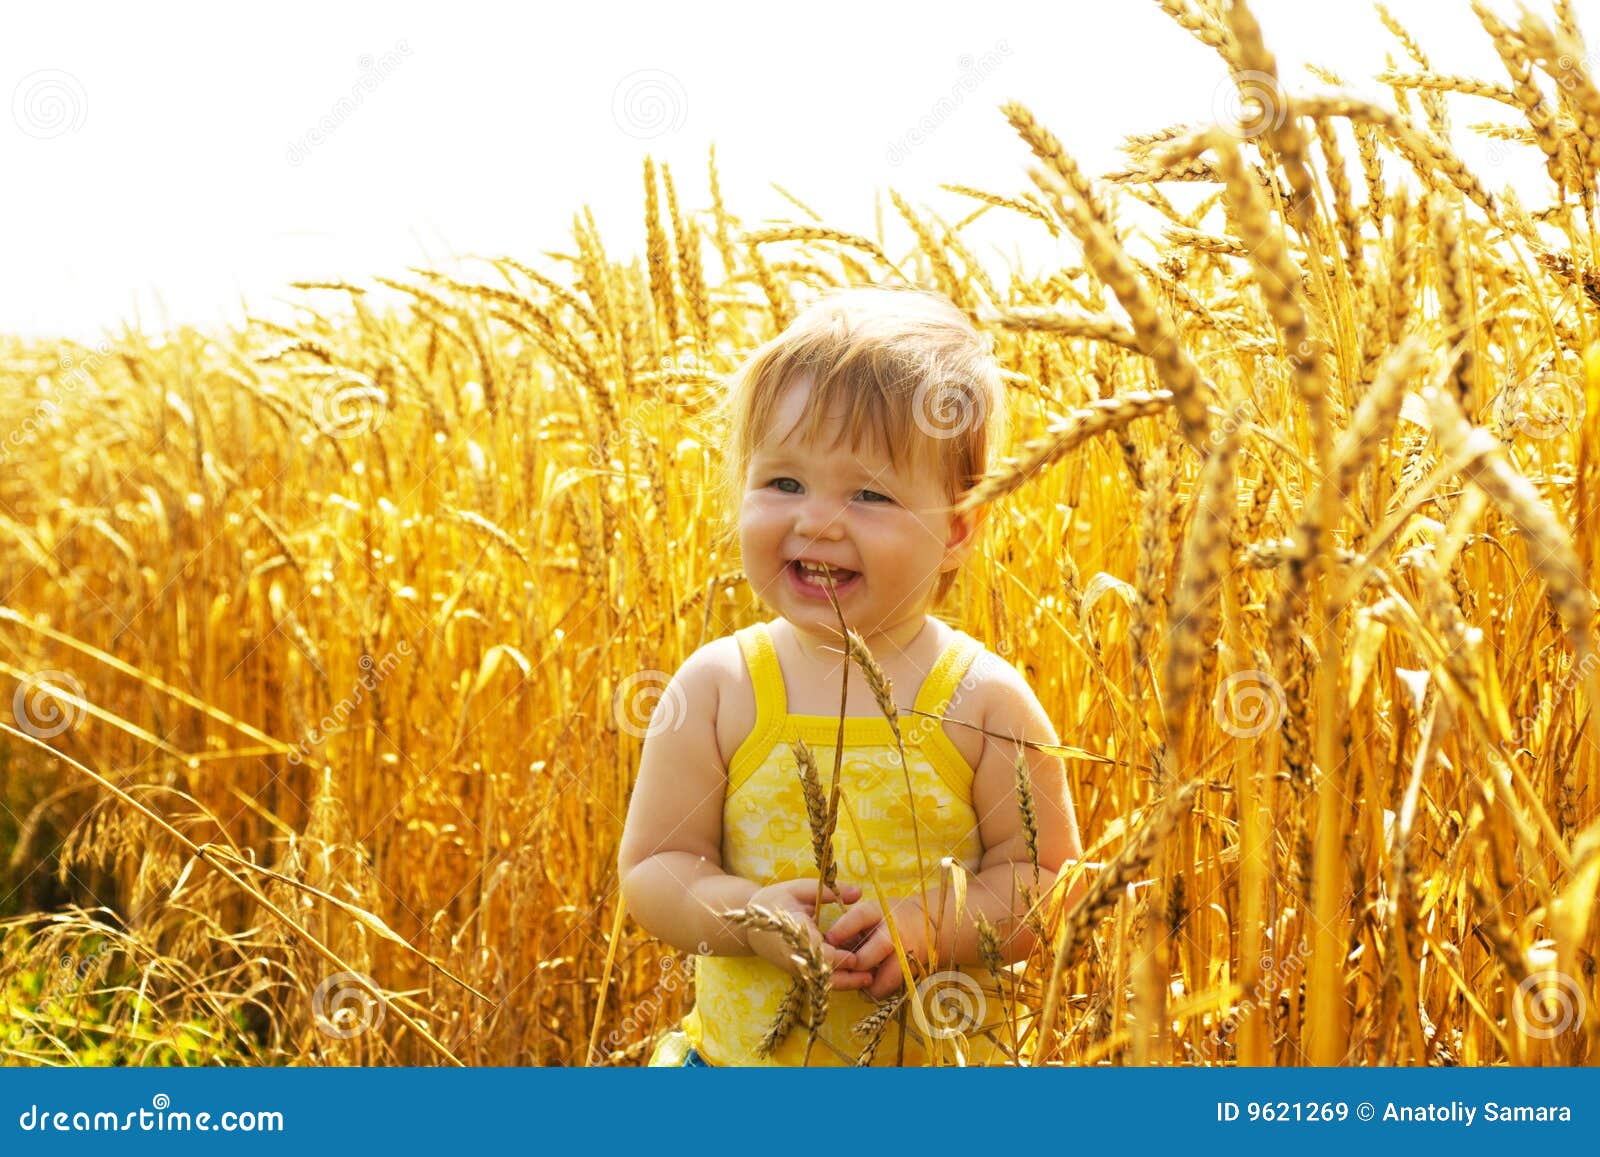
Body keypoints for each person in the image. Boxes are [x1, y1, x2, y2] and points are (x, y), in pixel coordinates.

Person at [617, 285, 1082, 1066]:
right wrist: (748, 914)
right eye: (784, 483)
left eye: (869, 493)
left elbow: (1047, 880)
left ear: (958, 528)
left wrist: (934, 923)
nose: (818, 520)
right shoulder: (717, 687)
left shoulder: (984, 700)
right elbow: (655, 868)